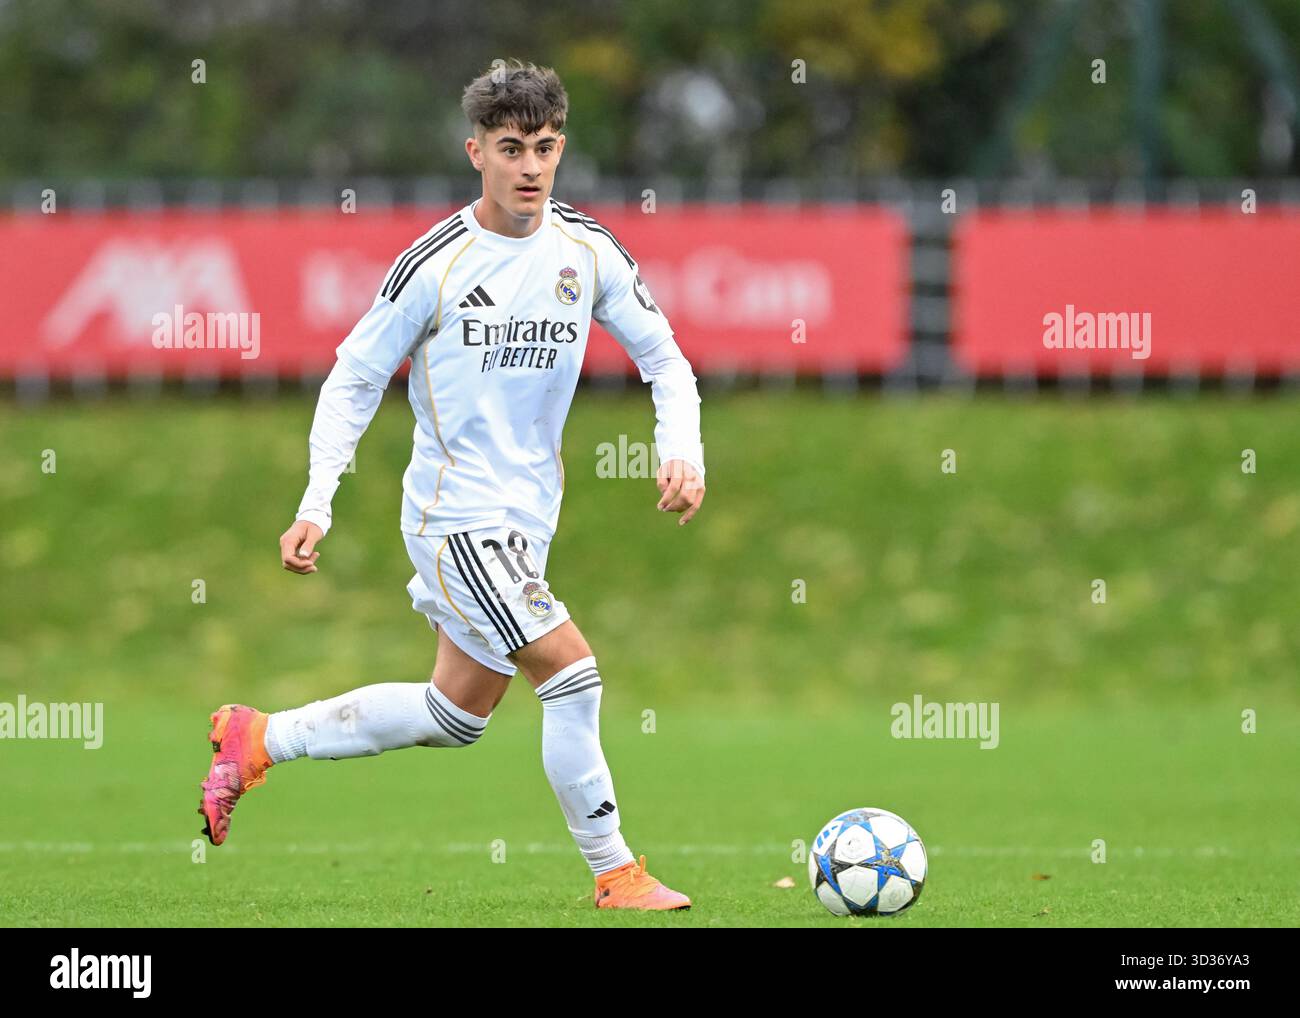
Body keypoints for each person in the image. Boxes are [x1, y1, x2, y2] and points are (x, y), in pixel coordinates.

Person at [197, 59, 705, 911]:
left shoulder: (587, 249)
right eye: (512, 148)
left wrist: (680, 447)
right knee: (573, 674)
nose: (531, 167)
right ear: (477, 152)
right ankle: (617, 872)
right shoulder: (436, 264)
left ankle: (258, 738)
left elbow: (664, 357)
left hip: (527, 519)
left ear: (561, 146)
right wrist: (316, 499)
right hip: (455, 519)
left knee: (455, 715)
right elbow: (354, 377)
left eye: (545, 147)